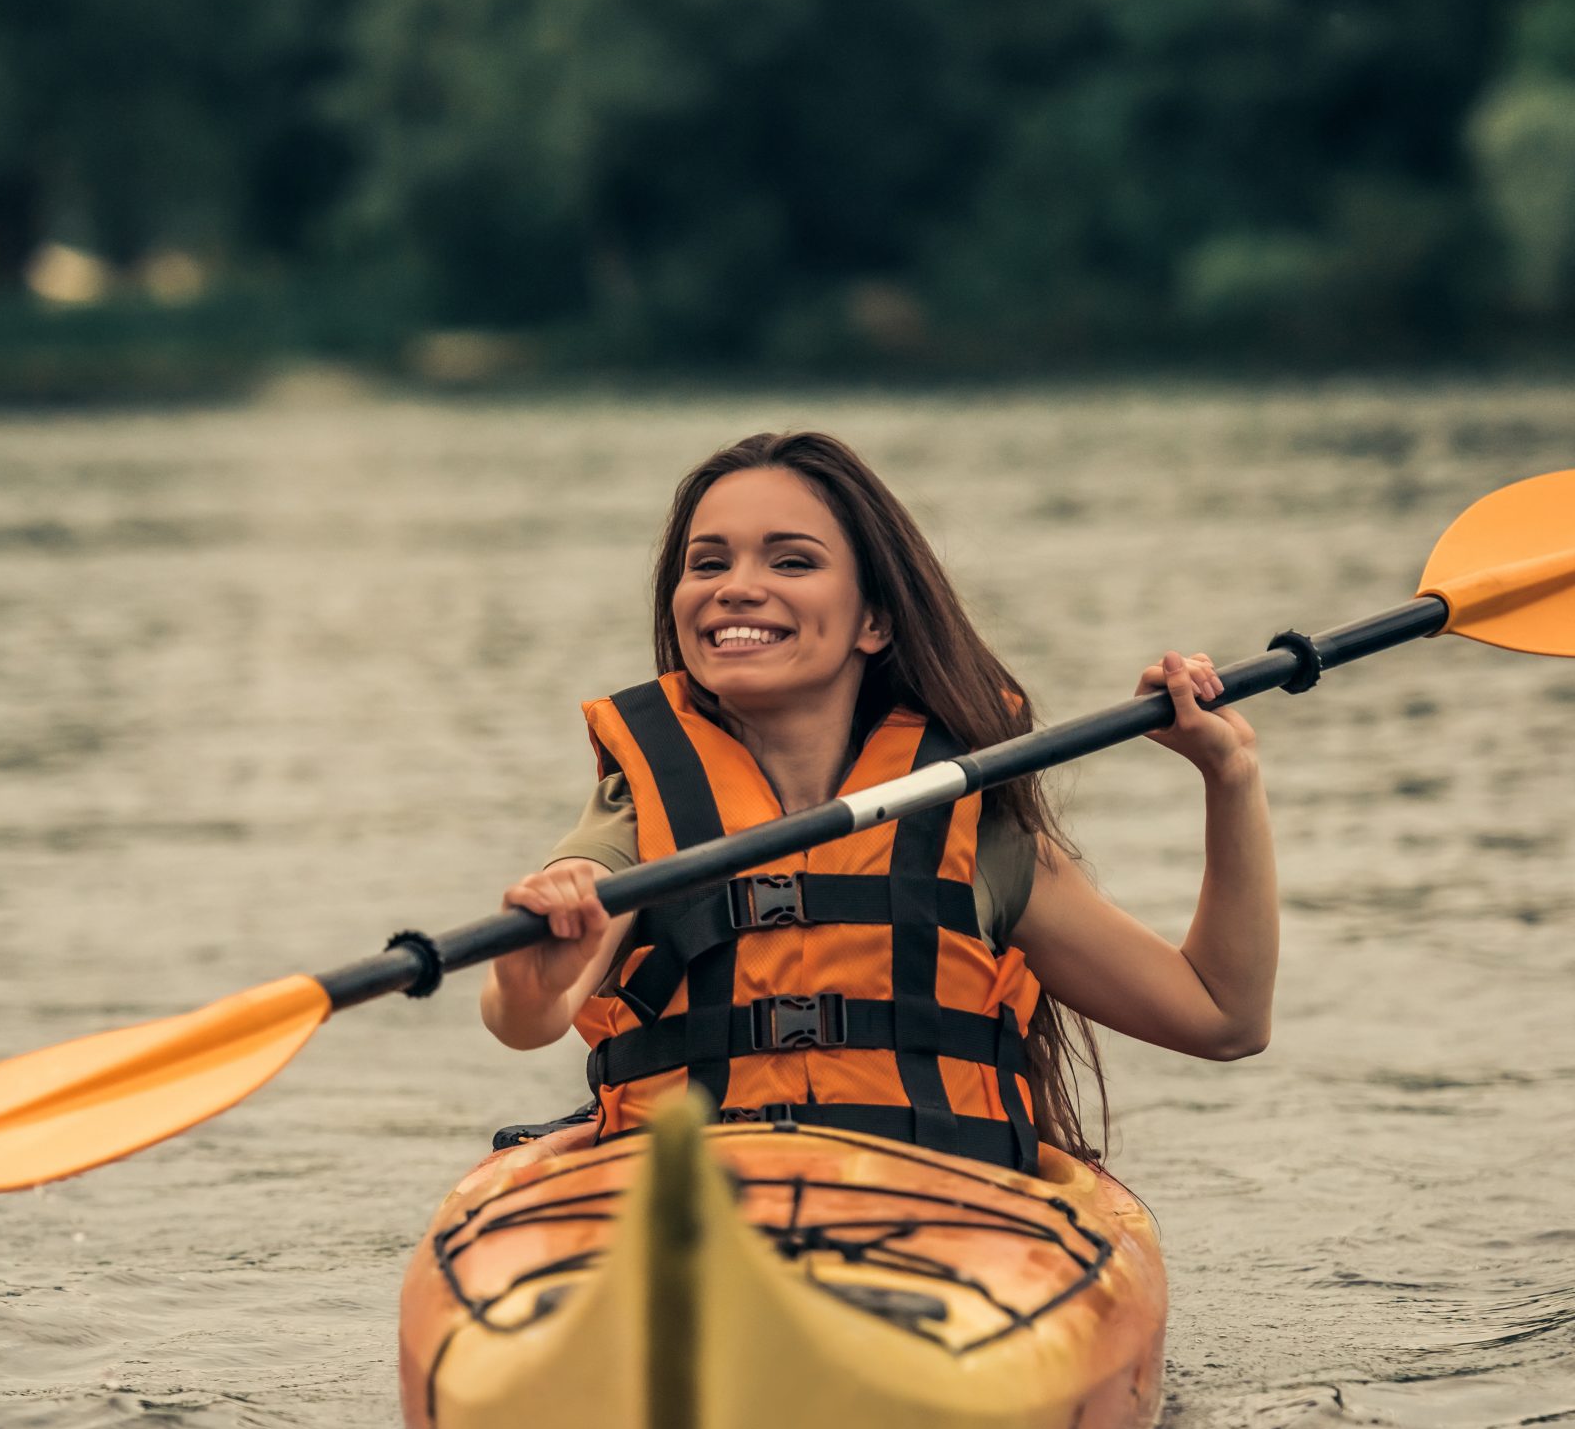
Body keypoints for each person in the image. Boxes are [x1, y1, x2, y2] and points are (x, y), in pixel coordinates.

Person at [480, 430, 1275, 1171]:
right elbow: (529, 1017)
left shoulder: (970, 828)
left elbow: (1221, 1017)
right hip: (696, 1209)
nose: (737, 589)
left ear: (875, 620)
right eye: (708, 563)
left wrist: (1229, 775)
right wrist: (532, 977)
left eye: (790, 562)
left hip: (934, 1220)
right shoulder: (636, 815)